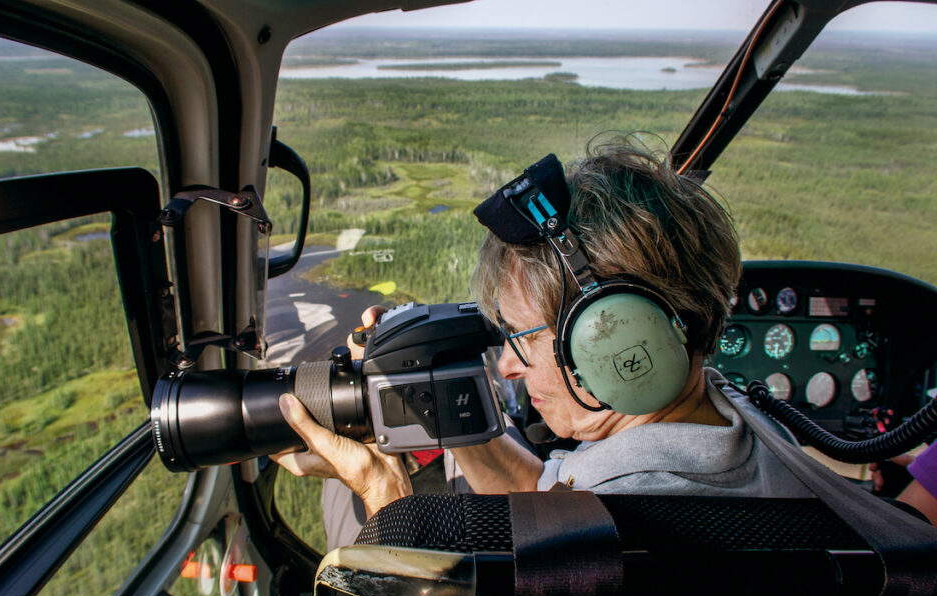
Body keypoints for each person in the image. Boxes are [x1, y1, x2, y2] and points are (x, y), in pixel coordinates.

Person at [271, 137, 811, 518]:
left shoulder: (610, 536)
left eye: (522, 339)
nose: (507, 365)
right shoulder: (742, 424)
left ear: (618, 339)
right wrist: (439, 402)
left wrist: (384, 496)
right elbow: (543, 497)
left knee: (339, 503)